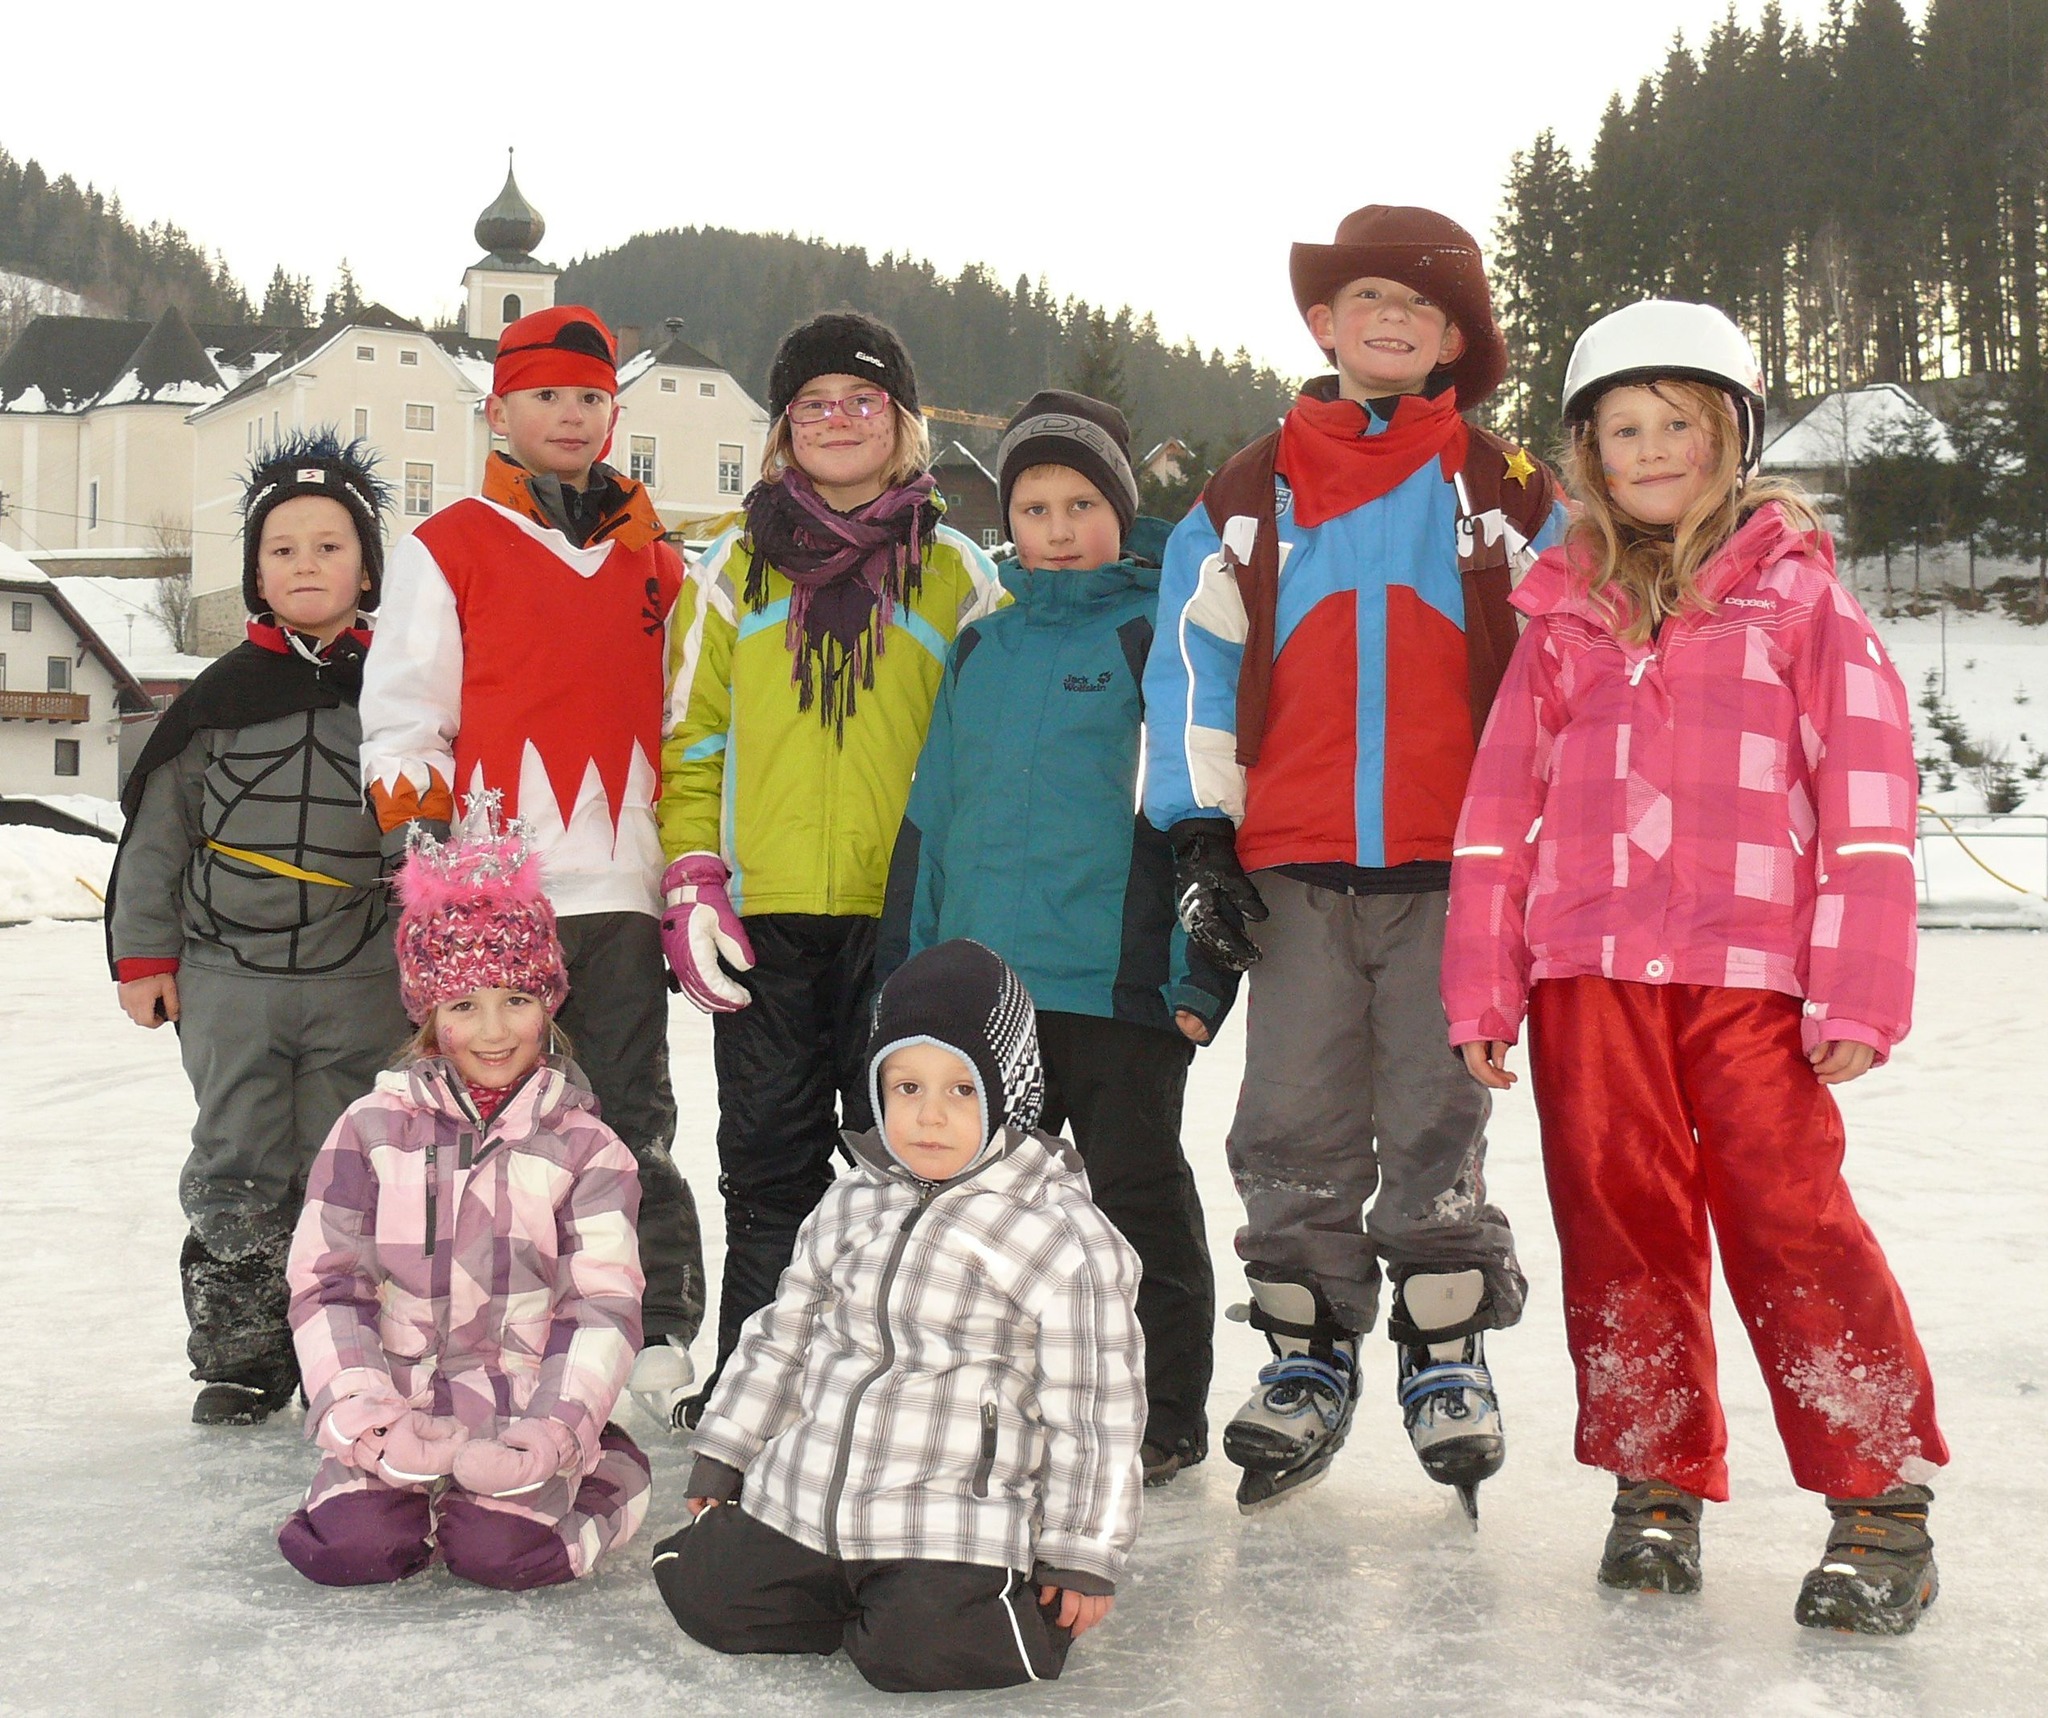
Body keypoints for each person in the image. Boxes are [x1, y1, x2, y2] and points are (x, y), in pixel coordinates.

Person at [1442, 299, 1948, 1633]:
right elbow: (1499, 812)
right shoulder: (1560, 615)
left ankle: (1880, 1500)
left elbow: (1871, 801)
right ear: (1587, 453)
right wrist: (1483, 985)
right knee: (1619, 1218)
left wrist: (1856, 983)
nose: (1652, 448)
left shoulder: (1802, 598)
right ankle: (1653, 1479)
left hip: (1755, 975)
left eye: (1680, 423)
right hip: (1588, 973)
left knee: (1790, 1216)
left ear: (1733, 435)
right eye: (1624, 428)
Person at [1141, 205, 1568, 1516]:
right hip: (1296, 870)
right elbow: (1192, 663)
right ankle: (1305, 1349)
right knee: (1292, 1117)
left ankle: (1446, 1348)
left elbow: (1569, 661)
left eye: (1422, 308)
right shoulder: (1250, 491)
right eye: (1365, 297)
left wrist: (1554, 827)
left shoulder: (1500, 491)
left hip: (1457, 866)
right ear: (1323, 324)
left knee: (1439, 1111)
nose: (1390, 320)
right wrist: (1199, 824)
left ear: (1454, 343)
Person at [878, 390, 1236, 1487]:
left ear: (1120, 511)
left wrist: (1200, 970)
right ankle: (998, 1391)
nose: (1057, 525)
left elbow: (1200, 805)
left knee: (1133, 1200)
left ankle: (1163, 1410)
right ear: (1009, 517)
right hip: (992, 997)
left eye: (1081, 501)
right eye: (1033, 505)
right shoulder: (979, 645)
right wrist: (911, 983)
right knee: (987, 1205)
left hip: (1118, 983)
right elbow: (932, 818)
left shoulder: (1154, 631)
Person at [359, 305, 704, 1427]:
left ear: (613, 415)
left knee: (625, 1111)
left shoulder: (660, 561)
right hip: (497, 891)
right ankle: (475, 1314)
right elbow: (405, 712)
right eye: (546, 395)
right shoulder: (446, 543)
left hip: (618, 880)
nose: (570, 414)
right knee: (483, 1112)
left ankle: (651, 1324)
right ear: (498, 411)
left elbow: (694, 717)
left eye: (590, 397)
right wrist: (429, 863)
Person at [658, 312, 1003, 1403]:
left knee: (906, 1166)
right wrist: (691, 877)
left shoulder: (958, 572)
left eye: (862, 401)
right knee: (766, 1169)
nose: (838, 421)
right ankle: (755, 1387)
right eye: (814, 403)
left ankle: (892, 1394)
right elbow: (692, 738)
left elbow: (992, 752)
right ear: (782, 430)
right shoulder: (729, 569)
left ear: (903, 425)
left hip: (906, 923)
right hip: (764, 921)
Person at [649, 939, 1143, 1692]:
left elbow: (1095, 1408)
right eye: (906, 1088)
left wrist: (1082, 1550)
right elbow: (785, 1332)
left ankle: (948, 1607)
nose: (929, 1117)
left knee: (915, 1651)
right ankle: (845, 1590)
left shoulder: (1059, 1235)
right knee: (709, 1599)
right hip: (812, 1494)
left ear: (1008, 1092)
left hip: (951, 1514)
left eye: (960, 1091)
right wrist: (730, 1448)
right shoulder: (853, 1200)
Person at [105, 430, 410, 1426]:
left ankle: (342, 1352)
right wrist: (144, 958)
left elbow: (437, 832)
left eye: (329, 546)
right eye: (282, 549)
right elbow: (156, 840)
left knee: (343, 1164)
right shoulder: (215, 702)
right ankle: (240, 1356)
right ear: (254, 571)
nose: (306, 564)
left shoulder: (401, 697)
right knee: (237, 1159)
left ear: (367, 567)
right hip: (226, 973)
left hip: (358, 974)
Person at [277, 802, 650, 1590]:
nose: (492, 1031)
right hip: (401, 1410)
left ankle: (608, 1464)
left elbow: (601, 1306)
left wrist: (554, 1432)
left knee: (506, 1558)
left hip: (526, 1415)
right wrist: (367, 1418)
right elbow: (326, 1285)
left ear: (550, 1006)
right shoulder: (370, 1129)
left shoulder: (589, 1150)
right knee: (348, 1551)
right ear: (428, 1015)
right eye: (464, 1006)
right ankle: (390, 1489)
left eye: (516, 1000)